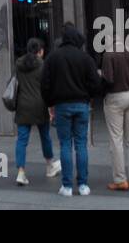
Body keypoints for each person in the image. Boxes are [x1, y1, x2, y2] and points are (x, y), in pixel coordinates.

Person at [40, 22, 101, 197]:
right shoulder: (85, 58)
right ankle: (82, 185)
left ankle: (66, 186)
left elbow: (45, 85)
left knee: (65, 145)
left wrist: (50, 103)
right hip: (82, 105)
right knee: (81, 145)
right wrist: (88, 96)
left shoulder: (53, 57)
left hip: (61, 106)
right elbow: (96, 83)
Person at [12, 38, 58, 187]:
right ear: (40, 51)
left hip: (23, 105)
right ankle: (50, 165)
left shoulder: (19, 64)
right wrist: (51, 108)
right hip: (40, 105)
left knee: (21, 140)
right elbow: (47, 87)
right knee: (45, 137)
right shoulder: (43, 65)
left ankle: (21, 172)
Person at [100, 36, 129, 190]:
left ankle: (120, 179)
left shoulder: (109, 54)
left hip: (115, 96)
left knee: (116, 138)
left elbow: (108, 80)